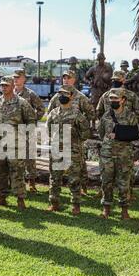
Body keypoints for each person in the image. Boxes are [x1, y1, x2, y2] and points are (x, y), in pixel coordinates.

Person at [0, 76, 36, 210]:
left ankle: (20, 199)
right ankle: (1, 197)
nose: (4, 88)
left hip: (15, 145)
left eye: (6, 86)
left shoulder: (21, 103)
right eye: (2, 86)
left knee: (17, 172)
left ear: (12, 86)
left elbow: (31, 121)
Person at [46, 86, 92, 216]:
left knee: (74, 179)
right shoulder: (53, 113)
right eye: (60, 93)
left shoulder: (77, 114)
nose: (62, 96)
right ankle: (54, 203)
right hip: (57, 150)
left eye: (65, 94)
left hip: (73, 151)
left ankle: (75, 205)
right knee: (54, 178)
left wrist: (74, 141)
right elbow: (48, 130)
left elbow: (85, 132)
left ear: (71, 96)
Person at [48, 70, 95, 196]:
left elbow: (91, 113)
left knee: (78, 165)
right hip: (59, 139)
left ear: (74, 80)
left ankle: (82, 188)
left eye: (69, 78)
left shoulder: (80, 97)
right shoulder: (56, 97)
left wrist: (80, 125)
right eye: (64, 78)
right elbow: (50, 115)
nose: (66, 80)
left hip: (75, 139)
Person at [98, 90, 139, 220]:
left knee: (124, 183)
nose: (113, 101)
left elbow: (134, 134)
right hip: (107, 154)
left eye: (116, 98)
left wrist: (119, 135)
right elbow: (101, 133)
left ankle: (124, 210)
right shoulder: (106, 116)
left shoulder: (130, 116)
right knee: (106, 182)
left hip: (124, 155)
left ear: (123, 100)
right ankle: (106, 208)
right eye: (111, 99)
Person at [13, 69, 45, 193]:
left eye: (18, 77)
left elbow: (41, 109)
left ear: (24, 79)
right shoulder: (11, 93)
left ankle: (32, 183)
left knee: (29, 158)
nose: (16, 79)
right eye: (14, 77)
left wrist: (32, 120)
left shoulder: (30, 94)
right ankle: (16, 182)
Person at [85, 52, 113, 128]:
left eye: (102, 59)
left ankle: (103, 125)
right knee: (94, 107)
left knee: (105, 107)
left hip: (104, 90)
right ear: (98, 60)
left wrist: (109, 86)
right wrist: (90, 82)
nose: (101, 61)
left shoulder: (108, 68)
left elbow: (111, 79)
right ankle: (93, 125)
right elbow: (86, 77)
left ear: (104, 59)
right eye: (100, 59)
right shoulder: (93, 69)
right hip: (95, 90)